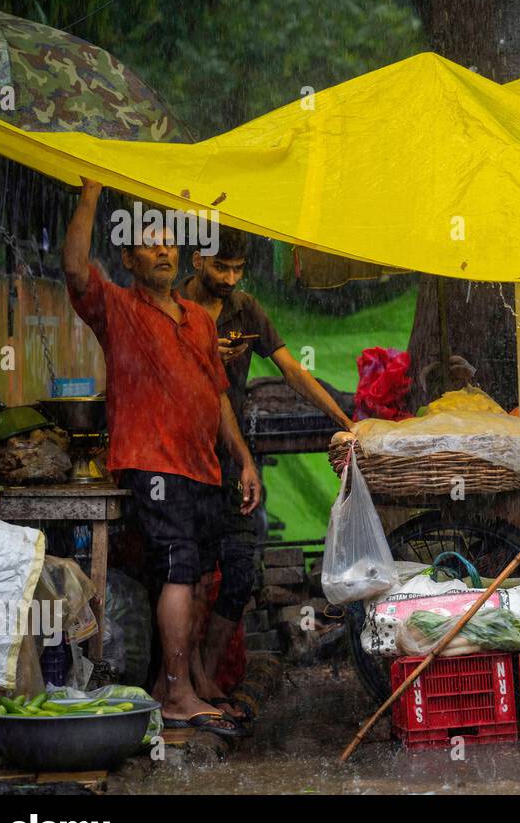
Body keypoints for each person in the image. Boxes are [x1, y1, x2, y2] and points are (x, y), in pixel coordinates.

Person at [63, 179, 261, 737]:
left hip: (203, 466)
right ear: (128, 258)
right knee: (177, 571)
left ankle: (177, 685)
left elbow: (217, 394)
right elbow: (77, 269)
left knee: (199, 580)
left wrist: (242, 460)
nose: (164, 250)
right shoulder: (118, 308)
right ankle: (175, 695)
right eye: (149, 244)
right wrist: (90, 195)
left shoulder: (198, 319)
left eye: (170, 242)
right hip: (153, 464)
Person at [176, 228, 353, 713]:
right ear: (197, 261)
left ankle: (207, 678)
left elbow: (292, 371)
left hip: (233, 457)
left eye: (237, 269)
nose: (230, 278)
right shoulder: (173, 308)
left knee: (236, 571)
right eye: (221, 269)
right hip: (180, 455)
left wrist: (344, 420)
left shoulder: (246, 310)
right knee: (187, 574)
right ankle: (184, 682)